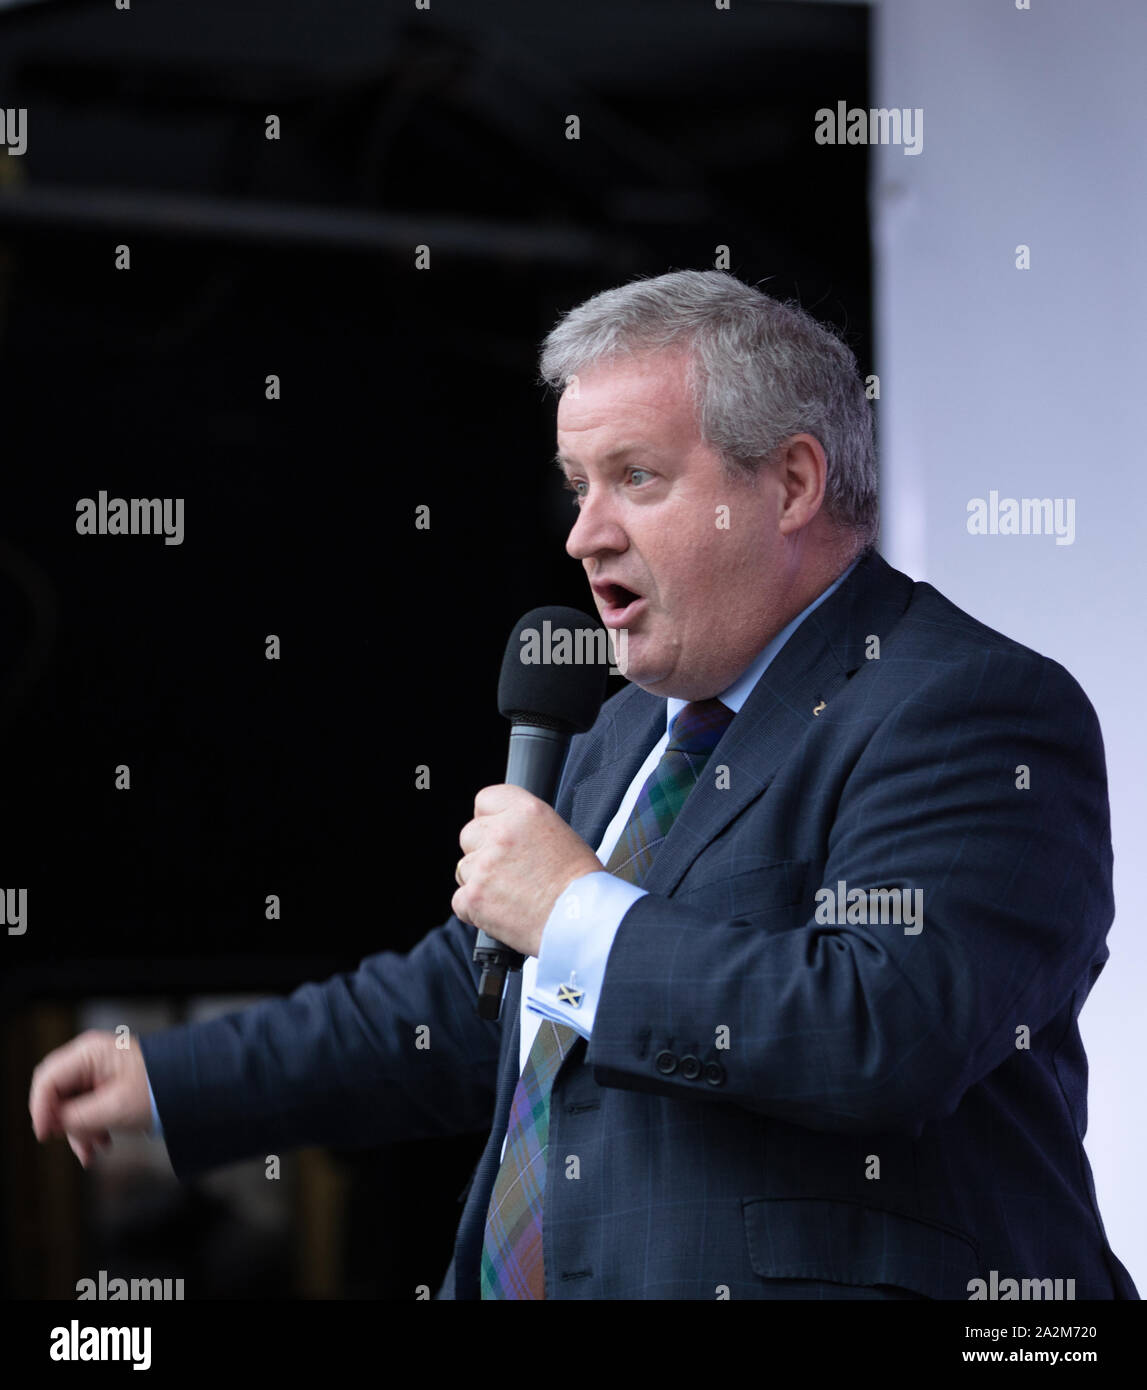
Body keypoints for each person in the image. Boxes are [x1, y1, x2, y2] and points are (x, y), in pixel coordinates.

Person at [29, 270, 1137, 1300]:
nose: (582, 535)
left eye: (635, 478)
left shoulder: (967, 706)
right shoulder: (623, 732)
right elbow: (463, 1007)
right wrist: (175, 1079)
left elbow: (883, 1030)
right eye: (575, 486)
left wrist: (572, 910)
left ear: (792, 483)